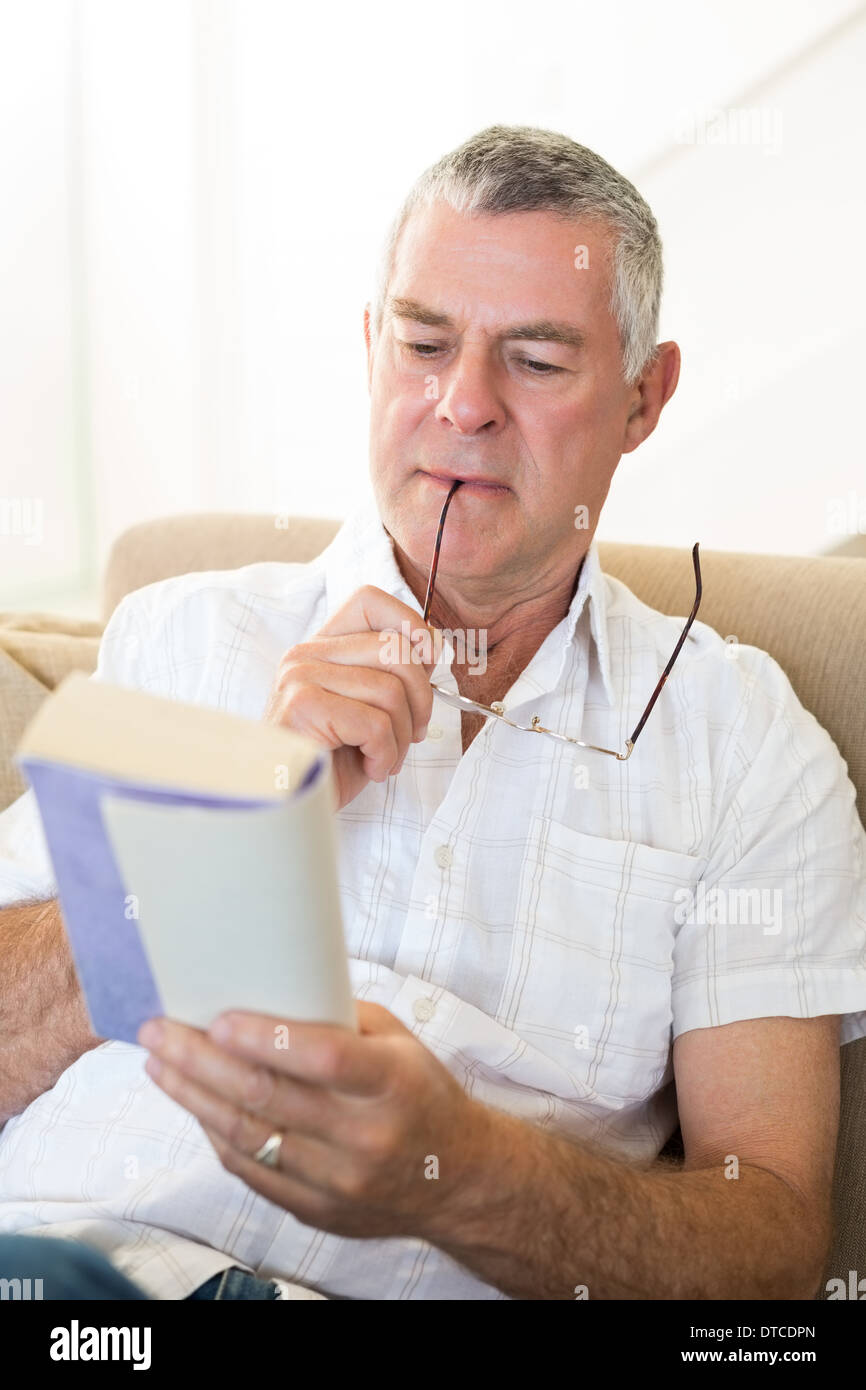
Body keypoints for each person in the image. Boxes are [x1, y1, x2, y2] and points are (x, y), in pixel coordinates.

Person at [0, 126, 864, 1301]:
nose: (461, 405)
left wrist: (452, 1169)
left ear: (641, 398)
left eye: (536, 360)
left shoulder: (740, 742)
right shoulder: (186, 634)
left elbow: (769, 1252)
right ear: (370, 351)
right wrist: (223, 828)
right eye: (420, 343)